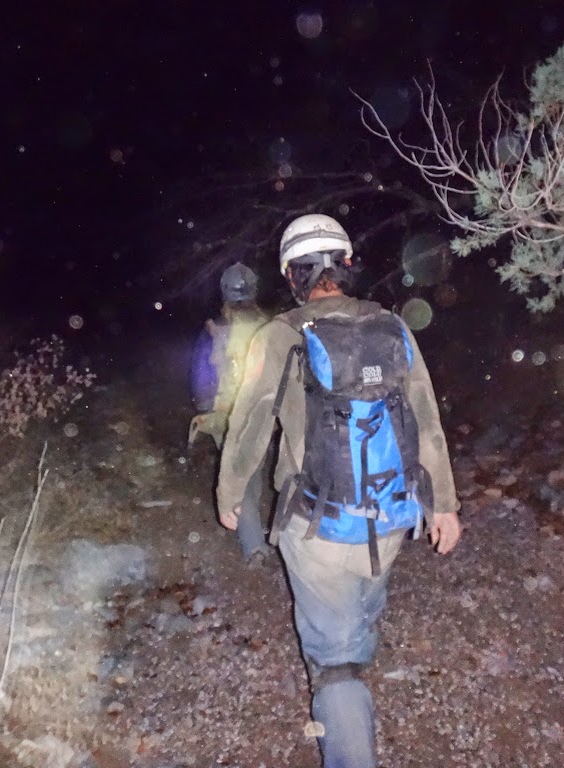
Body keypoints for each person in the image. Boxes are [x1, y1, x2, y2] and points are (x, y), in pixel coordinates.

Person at [216, 214, 462, 767]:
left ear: (290, 274)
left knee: (334, 660)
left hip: (317, 521)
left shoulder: (280, 334)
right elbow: (426, 420)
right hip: (392, 515)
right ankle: (354, 681)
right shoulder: (392, 327)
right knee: (363, 605)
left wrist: (230, 493)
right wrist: (443, 505)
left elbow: (250, 423)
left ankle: (345, 705)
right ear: (346, 265)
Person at [189, 261, 273, 562]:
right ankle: (252, 534)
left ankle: (252, 544)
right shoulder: (270, 325)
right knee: (255, 470)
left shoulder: (214, 328)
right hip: (264, 411)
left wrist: (203, 407)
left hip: (227, 414)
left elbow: (201, 373)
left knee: (237, 474)